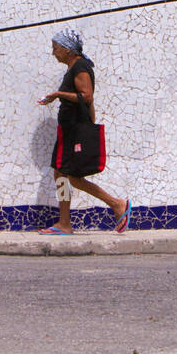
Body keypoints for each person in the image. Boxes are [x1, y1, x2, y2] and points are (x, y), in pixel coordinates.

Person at [36, 29, 130, 234]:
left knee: (69, 175)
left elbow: (87, 96)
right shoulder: (74, 67)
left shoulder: (80, 66)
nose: (53, 53)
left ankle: (116, 204)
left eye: (55, 48)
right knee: (62, 173)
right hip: (70, 130)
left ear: (67, 49)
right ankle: (65, 223)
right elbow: (89, 101)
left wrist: (58, 94)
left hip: (74, 130)